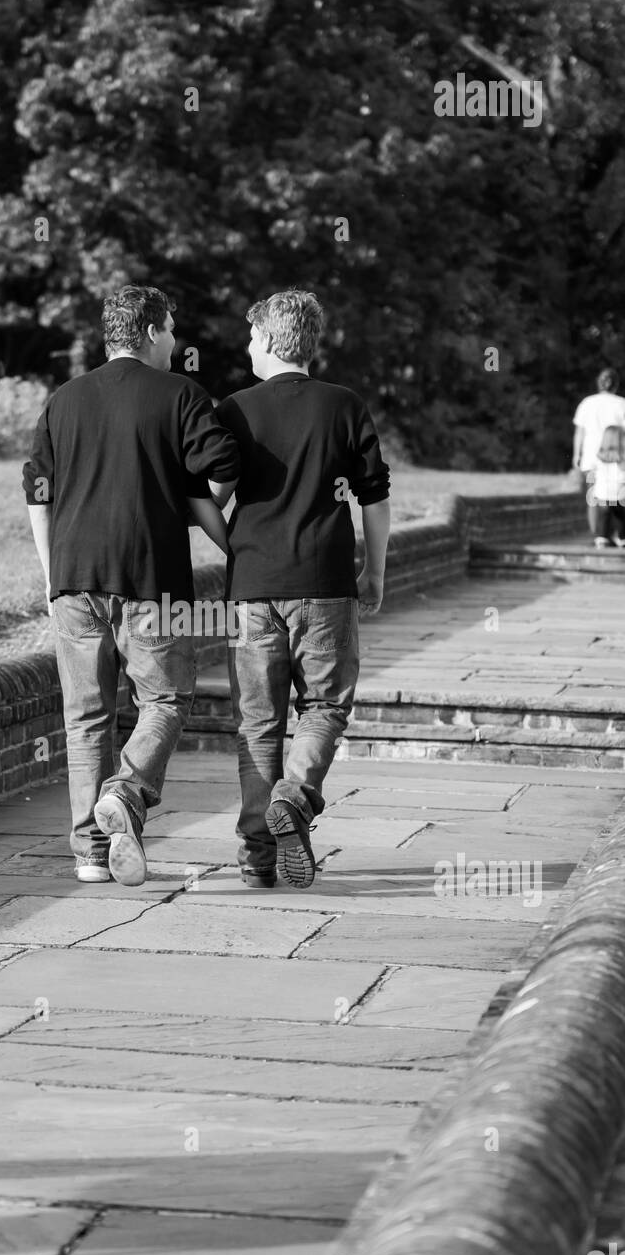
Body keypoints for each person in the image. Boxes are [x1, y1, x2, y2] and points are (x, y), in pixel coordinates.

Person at [22, 285, 239, 885]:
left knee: (86, 717)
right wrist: (194, 513)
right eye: (170, 328)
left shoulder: (64, 400)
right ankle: (128, 790)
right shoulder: (181, 396)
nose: (176, 339)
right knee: (166, 700)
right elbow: (224, 466)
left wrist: (51, 575)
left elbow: (37, 493)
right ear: (148, 333)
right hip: (152, 580)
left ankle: (91, 854)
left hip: (73, 577)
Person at [215, 290, 390, 889]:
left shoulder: (236, 410)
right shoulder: (344, 406)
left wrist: (235, 547)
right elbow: (374, 497)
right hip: (325, 581)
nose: (246, 348)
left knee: (257, 722)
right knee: (324, 706)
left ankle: (257, 854)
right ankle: (296, 792)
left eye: (250, 337)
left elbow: (212, 497)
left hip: (252, 586)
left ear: (267, 339)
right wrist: (375, 572)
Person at [572, 368, 625, 548]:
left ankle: (598, 534)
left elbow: (580, 432)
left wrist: (576, 454)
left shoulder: (587, 403)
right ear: (616, 385)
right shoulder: (621, 404)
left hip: (591, 459)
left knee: (593, 497)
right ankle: (614, 534)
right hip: (616, 458)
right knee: (617, 496)